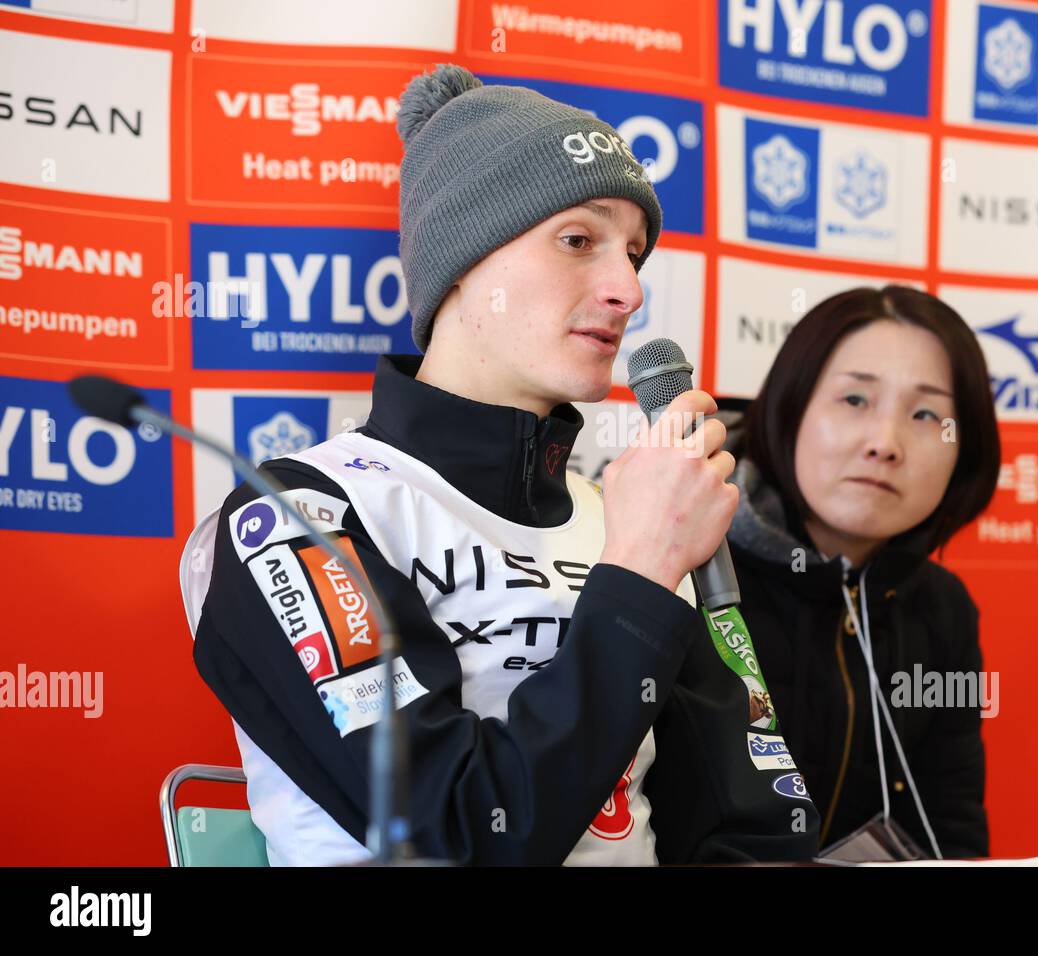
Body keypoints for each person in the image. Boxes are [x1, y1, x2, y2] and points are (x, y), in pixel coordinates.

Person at [189, 64, 819, 865]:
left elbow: (746, 824)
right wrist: (639, 572)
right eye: (579, 241)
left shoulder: (625, 514)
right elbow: (461, 830)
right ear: (461, 262)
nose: (628, 288)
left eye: (633, 254)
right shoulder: (291, 517)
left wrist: (645, 557)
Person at [721, 286, 1000, 859]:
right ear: (790, 408)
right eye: (854, 400)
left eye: (926, 414)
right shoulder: (690, 568)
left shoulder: (942, 607)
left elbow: (950, 824)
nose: (885, 444)